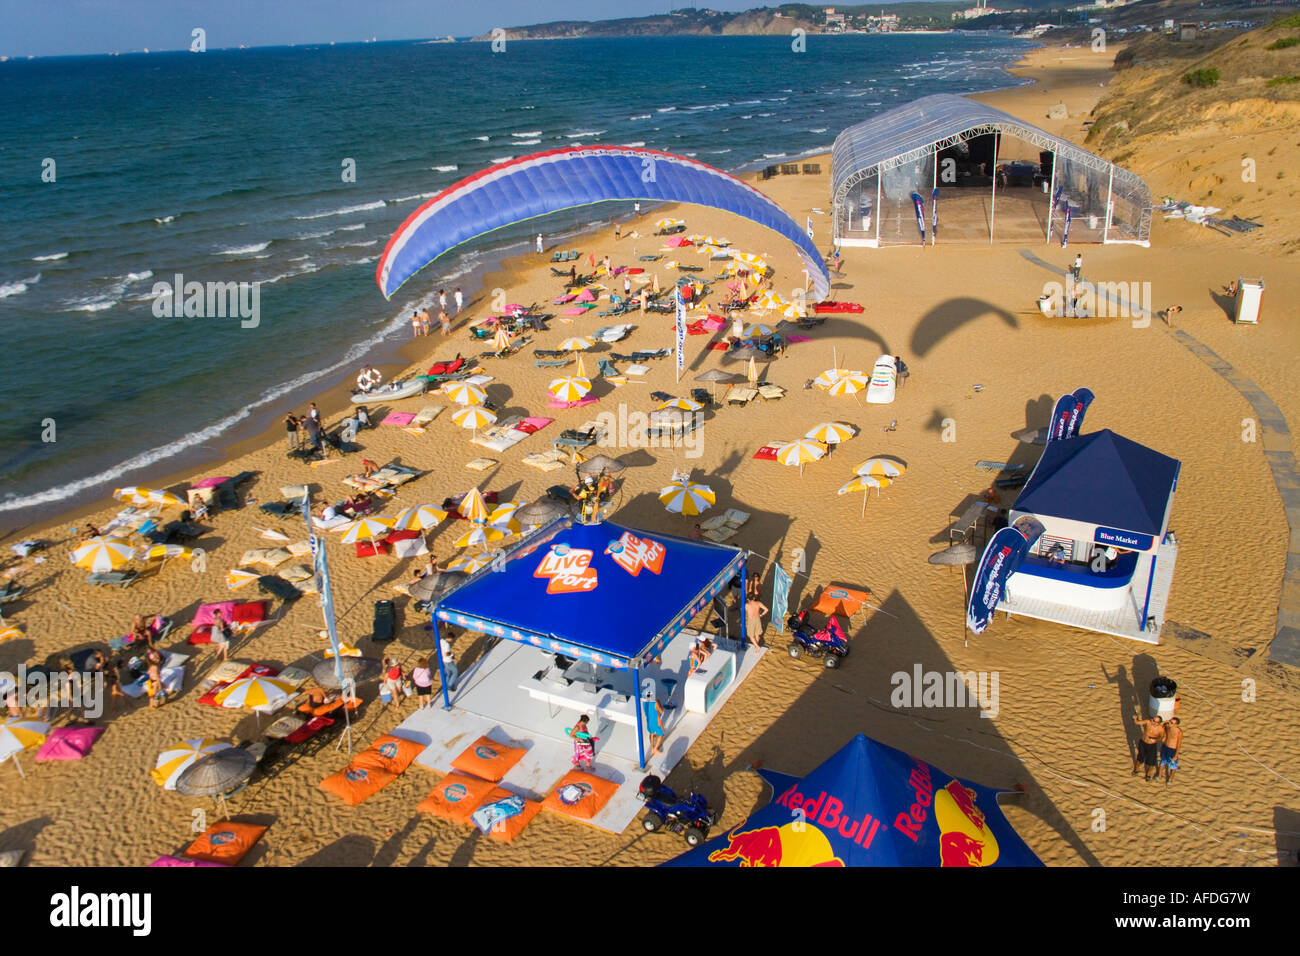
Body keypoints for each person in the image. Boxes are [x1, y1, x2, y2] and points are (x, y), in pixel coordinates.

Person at [1132, 713, 1164, 781]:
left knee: (1151, 761)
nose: (1152, 721)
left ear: (1157, 723)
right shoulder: (1148, 722)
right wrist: (1135, 719)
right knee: (1140, 757)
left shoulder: (1160, 729)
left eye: (1154, 720)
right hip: (1143, 743)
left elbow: (1161, 737)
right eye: (1153, 719)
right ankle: (1136, 770)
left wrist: (1155, 739)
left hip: (1151, 745)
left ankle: (1148, 775)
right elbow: (1137, 723)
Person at [641, 692, 667, 758]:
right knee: (661, 735)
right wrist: (659, 704)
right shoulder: (655, 703)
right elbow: (661, 711)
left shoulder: (644, 703)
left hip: (649, 721)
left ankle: (652, 747)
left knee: (651, 734)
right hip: (656, 722)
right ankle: (655, 749)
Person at [1160, 717, 1182, 785]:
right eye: (1170, 721)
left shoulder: (1179, 732)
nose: (1169, 723)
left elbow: (1179, 744)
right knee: (1162, 762)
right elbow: (1162, 727)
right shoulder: (1167, 726)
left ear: (1176, 725)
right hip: (1165, 747)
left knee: (1173, 766)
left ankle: (1170, 779)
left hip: (1172, 750)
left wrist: (1176, 755)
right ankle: (1159, 775)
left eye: (1171, 723)